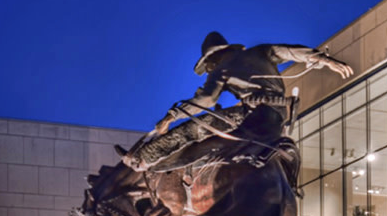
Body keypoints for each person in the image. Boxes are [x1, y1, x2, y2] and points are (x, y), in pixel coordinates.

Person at [121, 31, 352, 172]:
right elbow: (292, 52)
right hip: (282, 112)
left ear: (213, 58)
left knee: (193, 130)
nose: (209, 69)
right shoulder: (260, 51)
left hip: (254, 114)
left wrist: (171, 116)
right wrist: (324, 60)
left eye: (208, 65)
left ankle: (144, 159)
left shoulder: (221, 70)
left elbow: (207, 99)